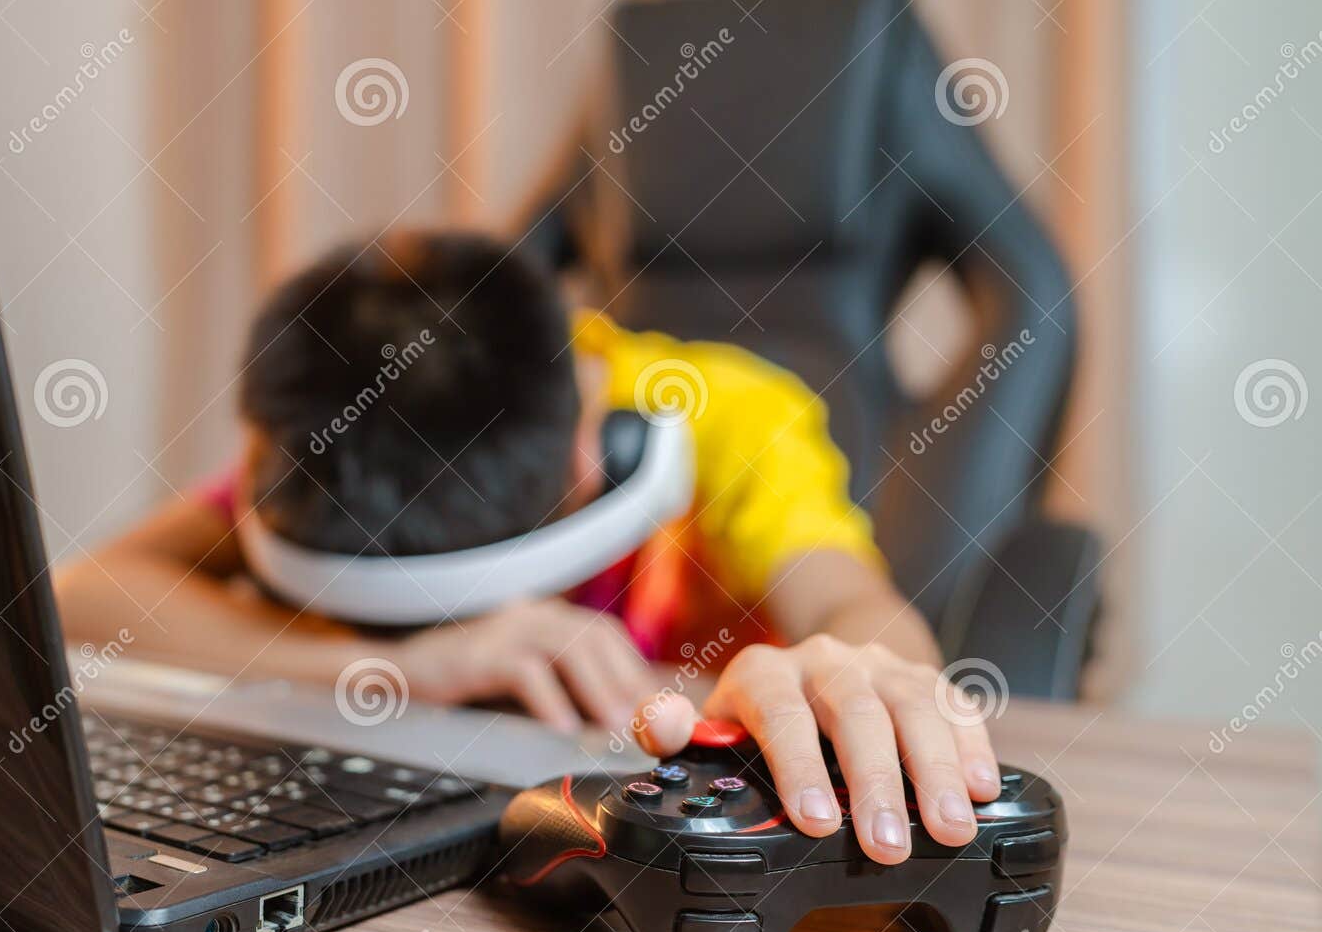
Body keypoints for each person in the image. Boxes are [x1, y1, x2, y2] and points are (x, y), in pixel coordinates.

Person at [55, 231, 1000, 864]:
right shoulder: (357, 435)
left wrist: (853, 674)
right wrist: (394, 663)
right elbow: (82, 594)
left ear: (591, 464)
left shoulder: (727, 420)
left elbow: (850, 607)